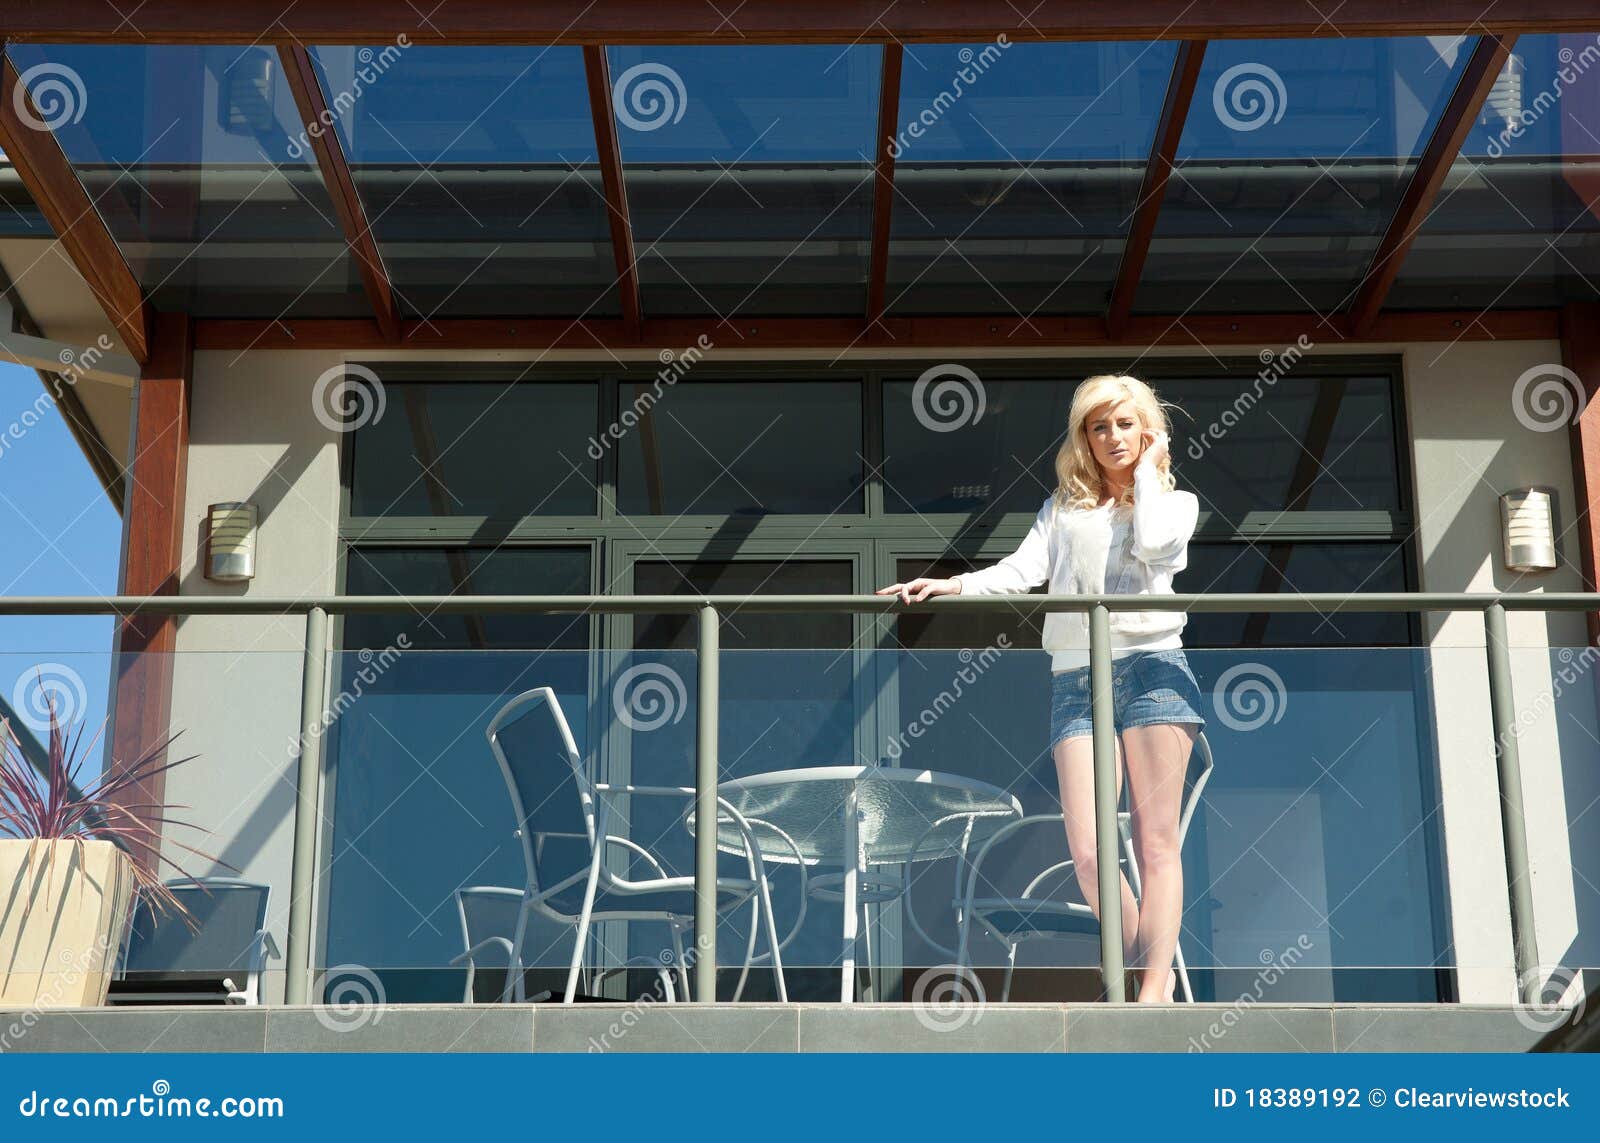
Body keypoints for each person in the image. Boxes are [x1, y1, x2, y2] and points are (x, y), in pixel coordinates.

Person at [876, 373, 1206, 1002]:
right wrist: (951, 584)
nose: (1112, 437)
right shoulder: (1063, 509)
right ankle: (1139, 965)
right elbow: (1022, 571)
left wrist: (1148, 475)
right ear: (1084, 437)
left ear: (1149, 430)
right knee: (1088, 852)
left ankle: (1153, 992)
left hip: (1154, 670)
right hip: (1076, 679)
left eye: (1125, 424)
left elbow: (1155, 543)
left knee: (1155, 840)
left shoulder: (1175, 504)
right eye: (1098, 426)